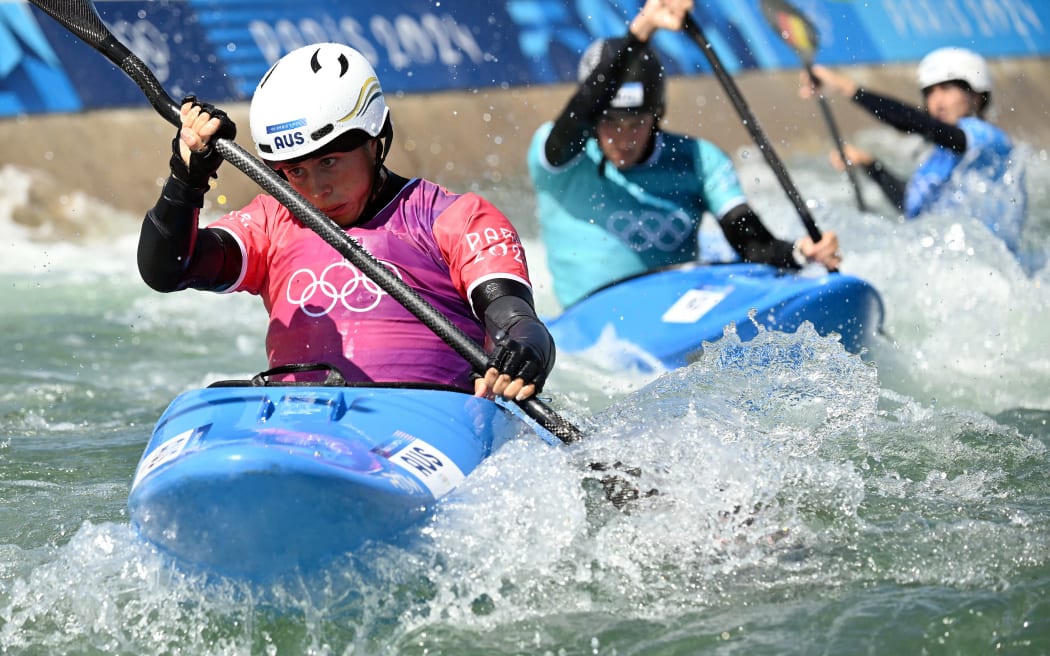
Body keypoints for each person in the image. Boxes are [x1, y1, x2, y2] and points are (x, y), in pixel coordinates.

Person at [138, 43, 555, 402]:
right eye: (295, 171)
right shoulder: (271, 221)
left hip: (429, 425)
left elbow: (514, 319)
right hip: (300, 426)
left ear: (374, 141)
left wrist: (523, 352)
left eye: (329, 162)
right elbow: (167, 269)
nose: (316, 189)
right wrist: (186, 179)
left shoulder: (454, 218)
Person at [527, 0, 841, 308]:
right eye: (611, 123)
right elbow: (581, 110)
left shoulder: (699, 159)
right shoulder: (560, 156)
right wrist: (640, 33)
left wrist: (800, 254)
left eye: (636, 124)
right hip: (586, 315)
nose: (623, 138)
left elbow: (750, 244)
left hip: (678, 305)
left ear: (656, 117)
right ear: (594, 119)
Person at [801, 47, 1027, 255]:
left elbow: (916, 123)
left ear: (976, 95)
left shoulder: (987, 139)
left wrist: (848, 89)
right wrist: (870, 165)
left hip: (984, 259)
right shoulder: (942, 154)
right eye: (930, 92)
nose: (937, 101)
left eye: (946, 89)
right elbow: (911, 206)